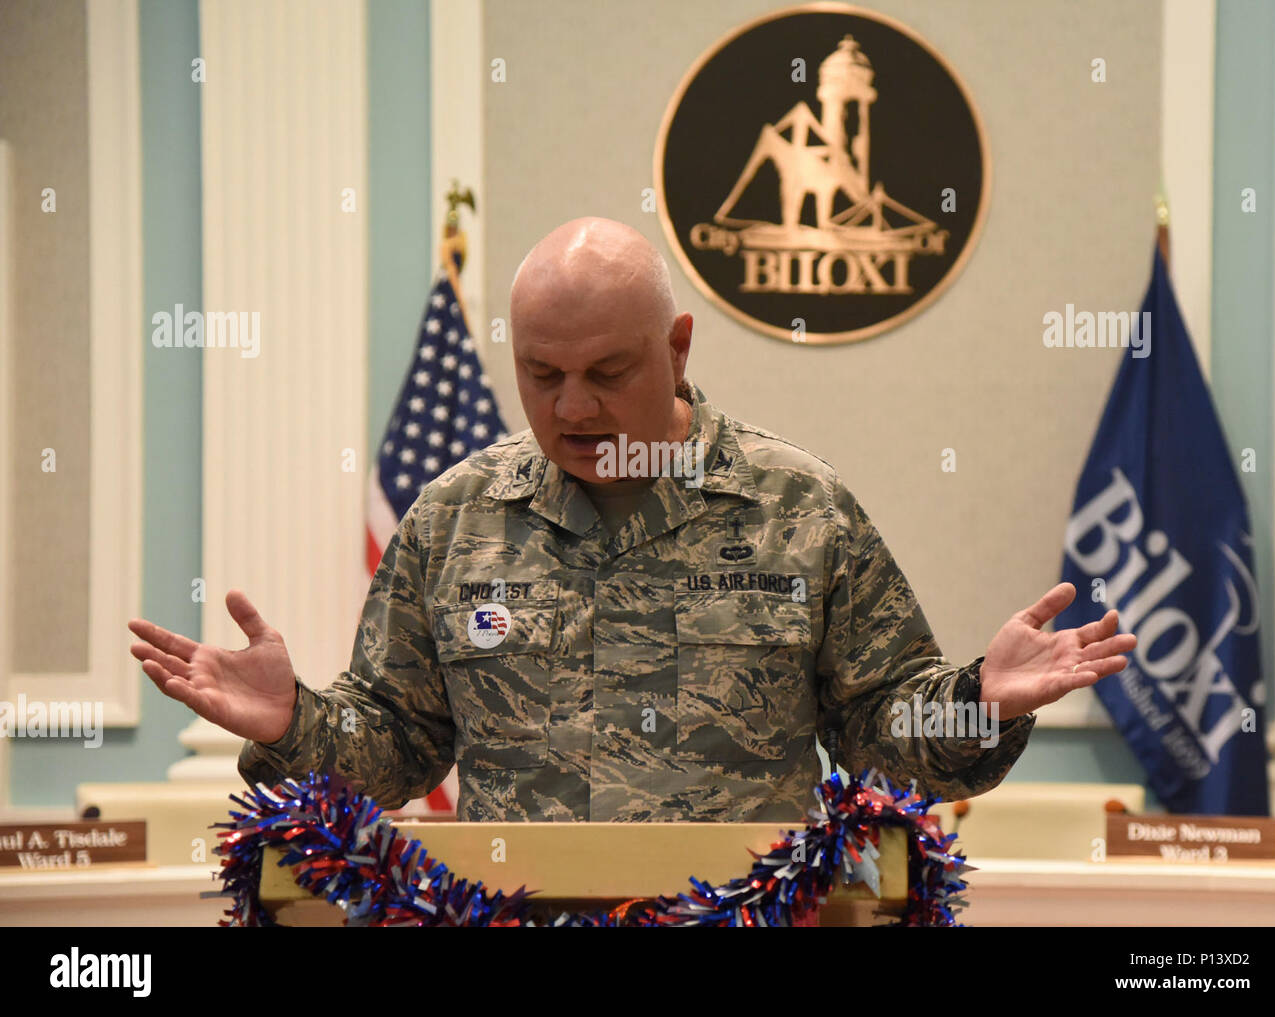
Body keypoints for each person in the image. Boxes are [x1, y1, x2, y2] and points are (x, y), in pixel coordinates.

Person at [127, 217, 1137, 821]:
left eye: (608, 373)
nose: (572, 408)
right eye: (541, 375)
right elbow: (393, 747)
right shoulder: (452, 521)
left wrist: (978, 702)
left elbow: (880, 734)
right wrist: (295, 724)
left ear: (679, 347)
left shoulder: (798, 511)